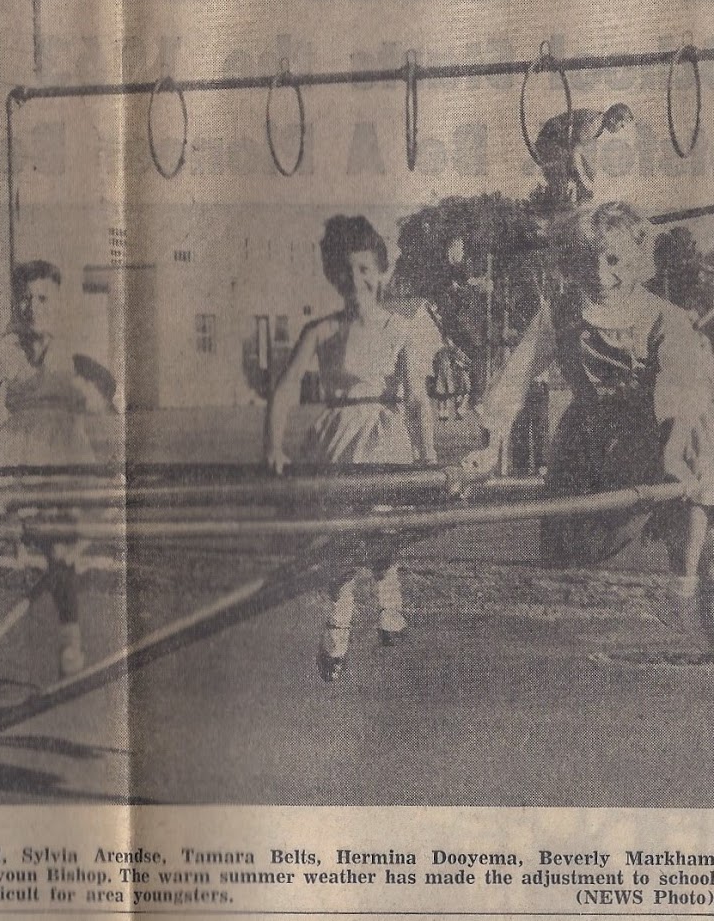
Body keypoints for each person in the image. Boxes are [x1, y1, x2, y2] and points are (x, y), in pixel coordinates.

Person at [465, 202, 714, 597]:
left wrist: (672, 458)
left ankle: (685, 582)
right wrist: (490, 445)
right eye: (587, 261)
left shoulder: (665, 319)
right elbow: (517, 375)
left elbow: (678, 398)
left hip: (657, 432)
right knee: (568, 552)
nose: (600, 275)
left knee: (689, 490)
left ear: (636, 260)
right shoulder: (561, 313)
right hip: (588, 437)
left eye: (614, 261)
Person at [265, 216, 438, 682]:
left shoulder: (401, 331)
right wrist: (274, 448)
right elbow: (282, 392)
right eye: (346, 272)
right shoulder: (322, 331)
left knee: (384, 531)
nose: (356, 281)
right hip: (337, 439)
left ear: (381, 273)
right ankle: (337, 632)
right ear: (334, 277)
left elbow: (419, 400)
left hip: (384, 436)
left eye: (365, 269)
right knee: (341, 539)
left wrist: (430, 460)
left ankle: (390, 609)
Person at [0, 259, 121, 678]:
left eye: (42, 298)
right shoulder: (5, 351)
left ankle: (69, 640)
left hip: (60, 446)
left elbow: (106, 398)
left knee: (58, 548)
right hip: (15, 446)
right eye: (24, 299)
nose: (33, 307)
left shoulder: (73, 350)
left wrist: (92, 399)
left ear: (57, 302)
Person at [532, 103, 634, 208]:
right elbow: (574, 152)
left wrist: (584, 178)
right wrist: (582, 181)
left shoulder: (599, 125)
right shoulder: (594, 123)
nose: (621, 129)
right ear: (613, 119)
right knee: (563, 185)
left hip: (561, 145)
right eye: (621, 125)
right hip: (548, 143)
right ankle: (552, 208)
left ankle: (579, 203)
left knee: (588, 173)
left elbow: (577, 150)